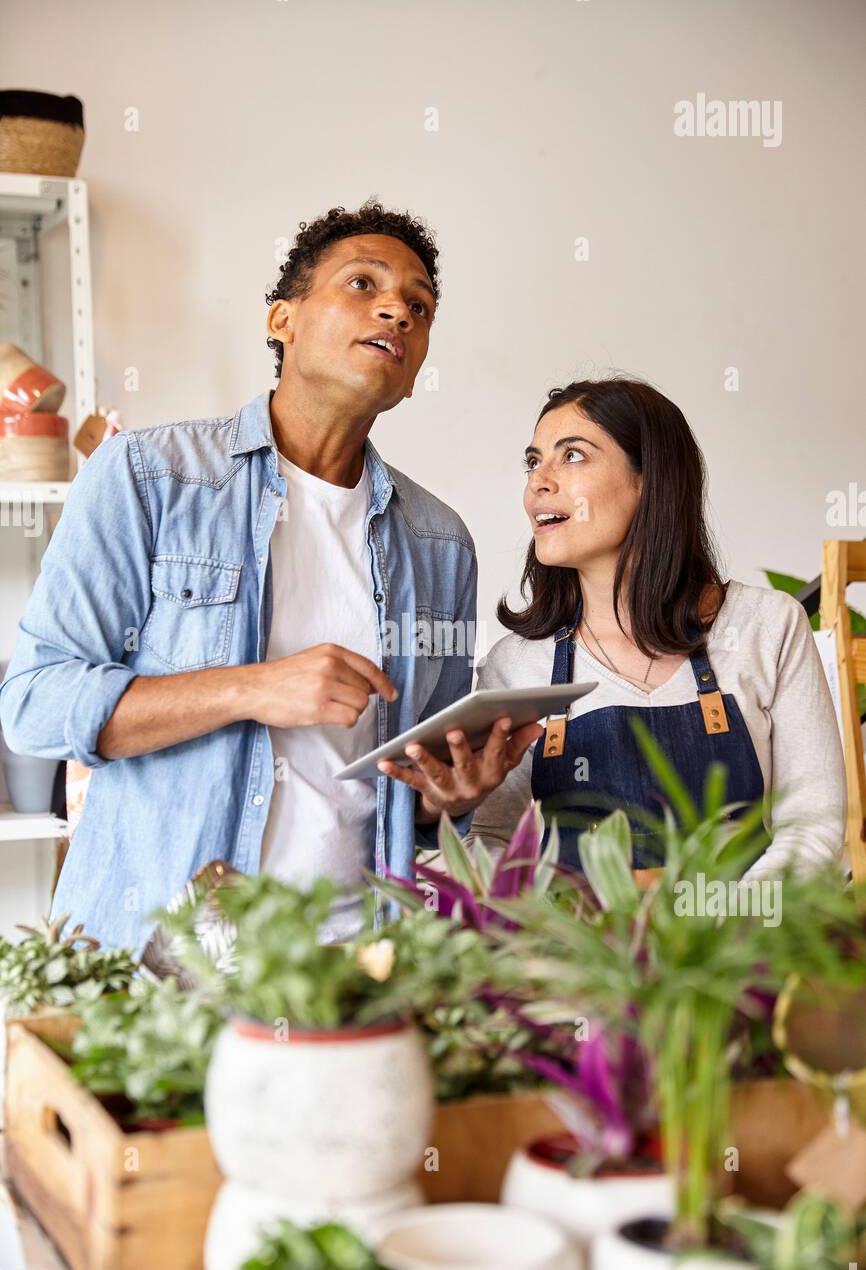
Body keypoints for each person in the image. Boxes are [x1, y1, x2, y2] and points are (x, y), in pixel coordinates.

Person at [0, 200, 539, 953]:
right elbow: (34, 705)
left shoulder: (440, 541)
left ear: (416, 372)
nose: (398, 311)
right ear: (281, 321)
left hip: (355, 962)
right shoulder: (148, 478)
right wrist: (255, 686)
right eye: (363, 284)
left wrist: (447, 798)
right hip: (167, 966)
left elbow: (418, 786)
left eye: (419, 306)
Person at [468, 377, 846, 879]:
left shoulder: (767, 627)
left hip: (747, 949)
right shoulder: (517, 665)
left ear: (650, 479)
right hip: (589, 952)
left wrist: (715, 932)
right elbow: (493, 837)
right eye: (533, 461)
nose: (538, 481)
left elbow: (812, 826)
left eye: (573, 455)